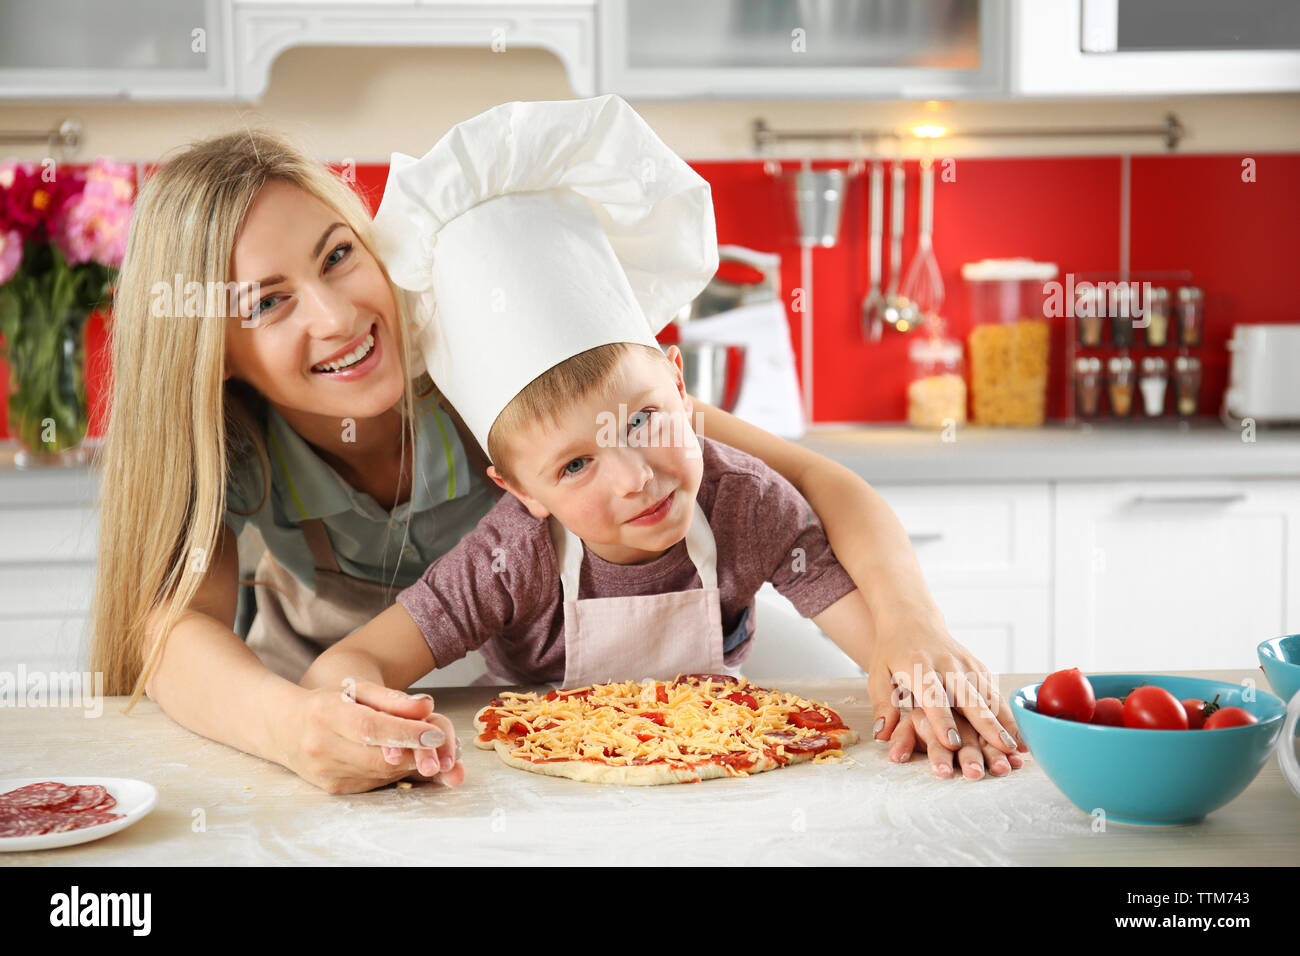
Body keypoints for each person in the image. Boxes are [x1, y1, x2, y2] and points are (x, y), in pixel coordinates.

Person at [89, 99, 1025, 796]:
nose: (337, 317)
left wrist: (910, 629)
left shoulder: (502, 378)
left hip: (574, 728)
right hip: (346, 728)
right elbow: (171, 634)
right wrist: (297, 726)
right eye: (267, 301)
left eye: (338, 254)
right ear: (211, 353)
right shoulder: (234, 445)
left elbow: (810, 480)